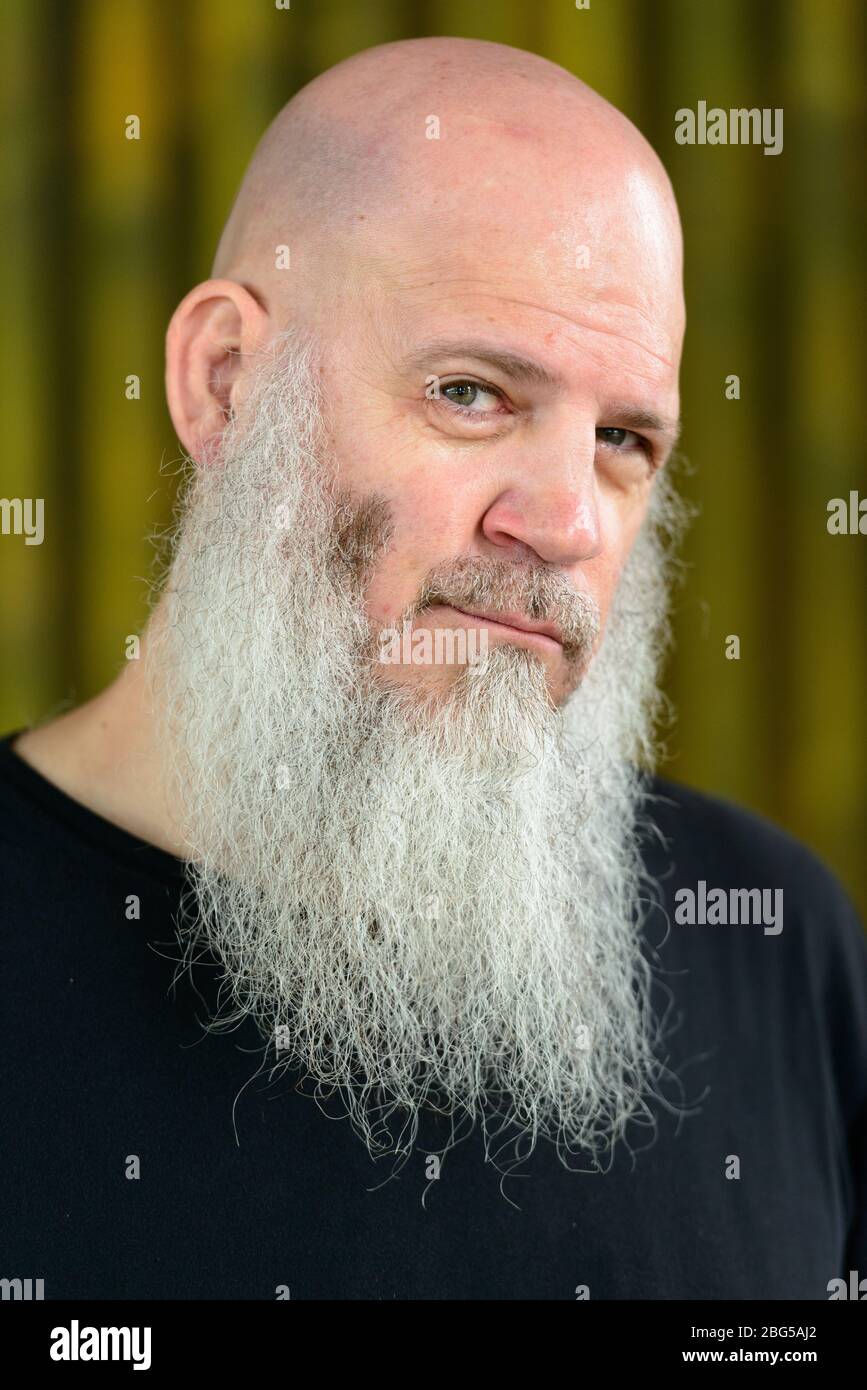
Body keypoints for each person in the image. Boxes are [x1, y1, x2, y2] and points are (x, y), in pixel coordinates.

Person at [2, 36, 865, 1301]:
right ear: (226, 385)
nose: (566, 522)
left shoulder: (775, 941)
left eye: (624, 437)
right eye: (472, 393)